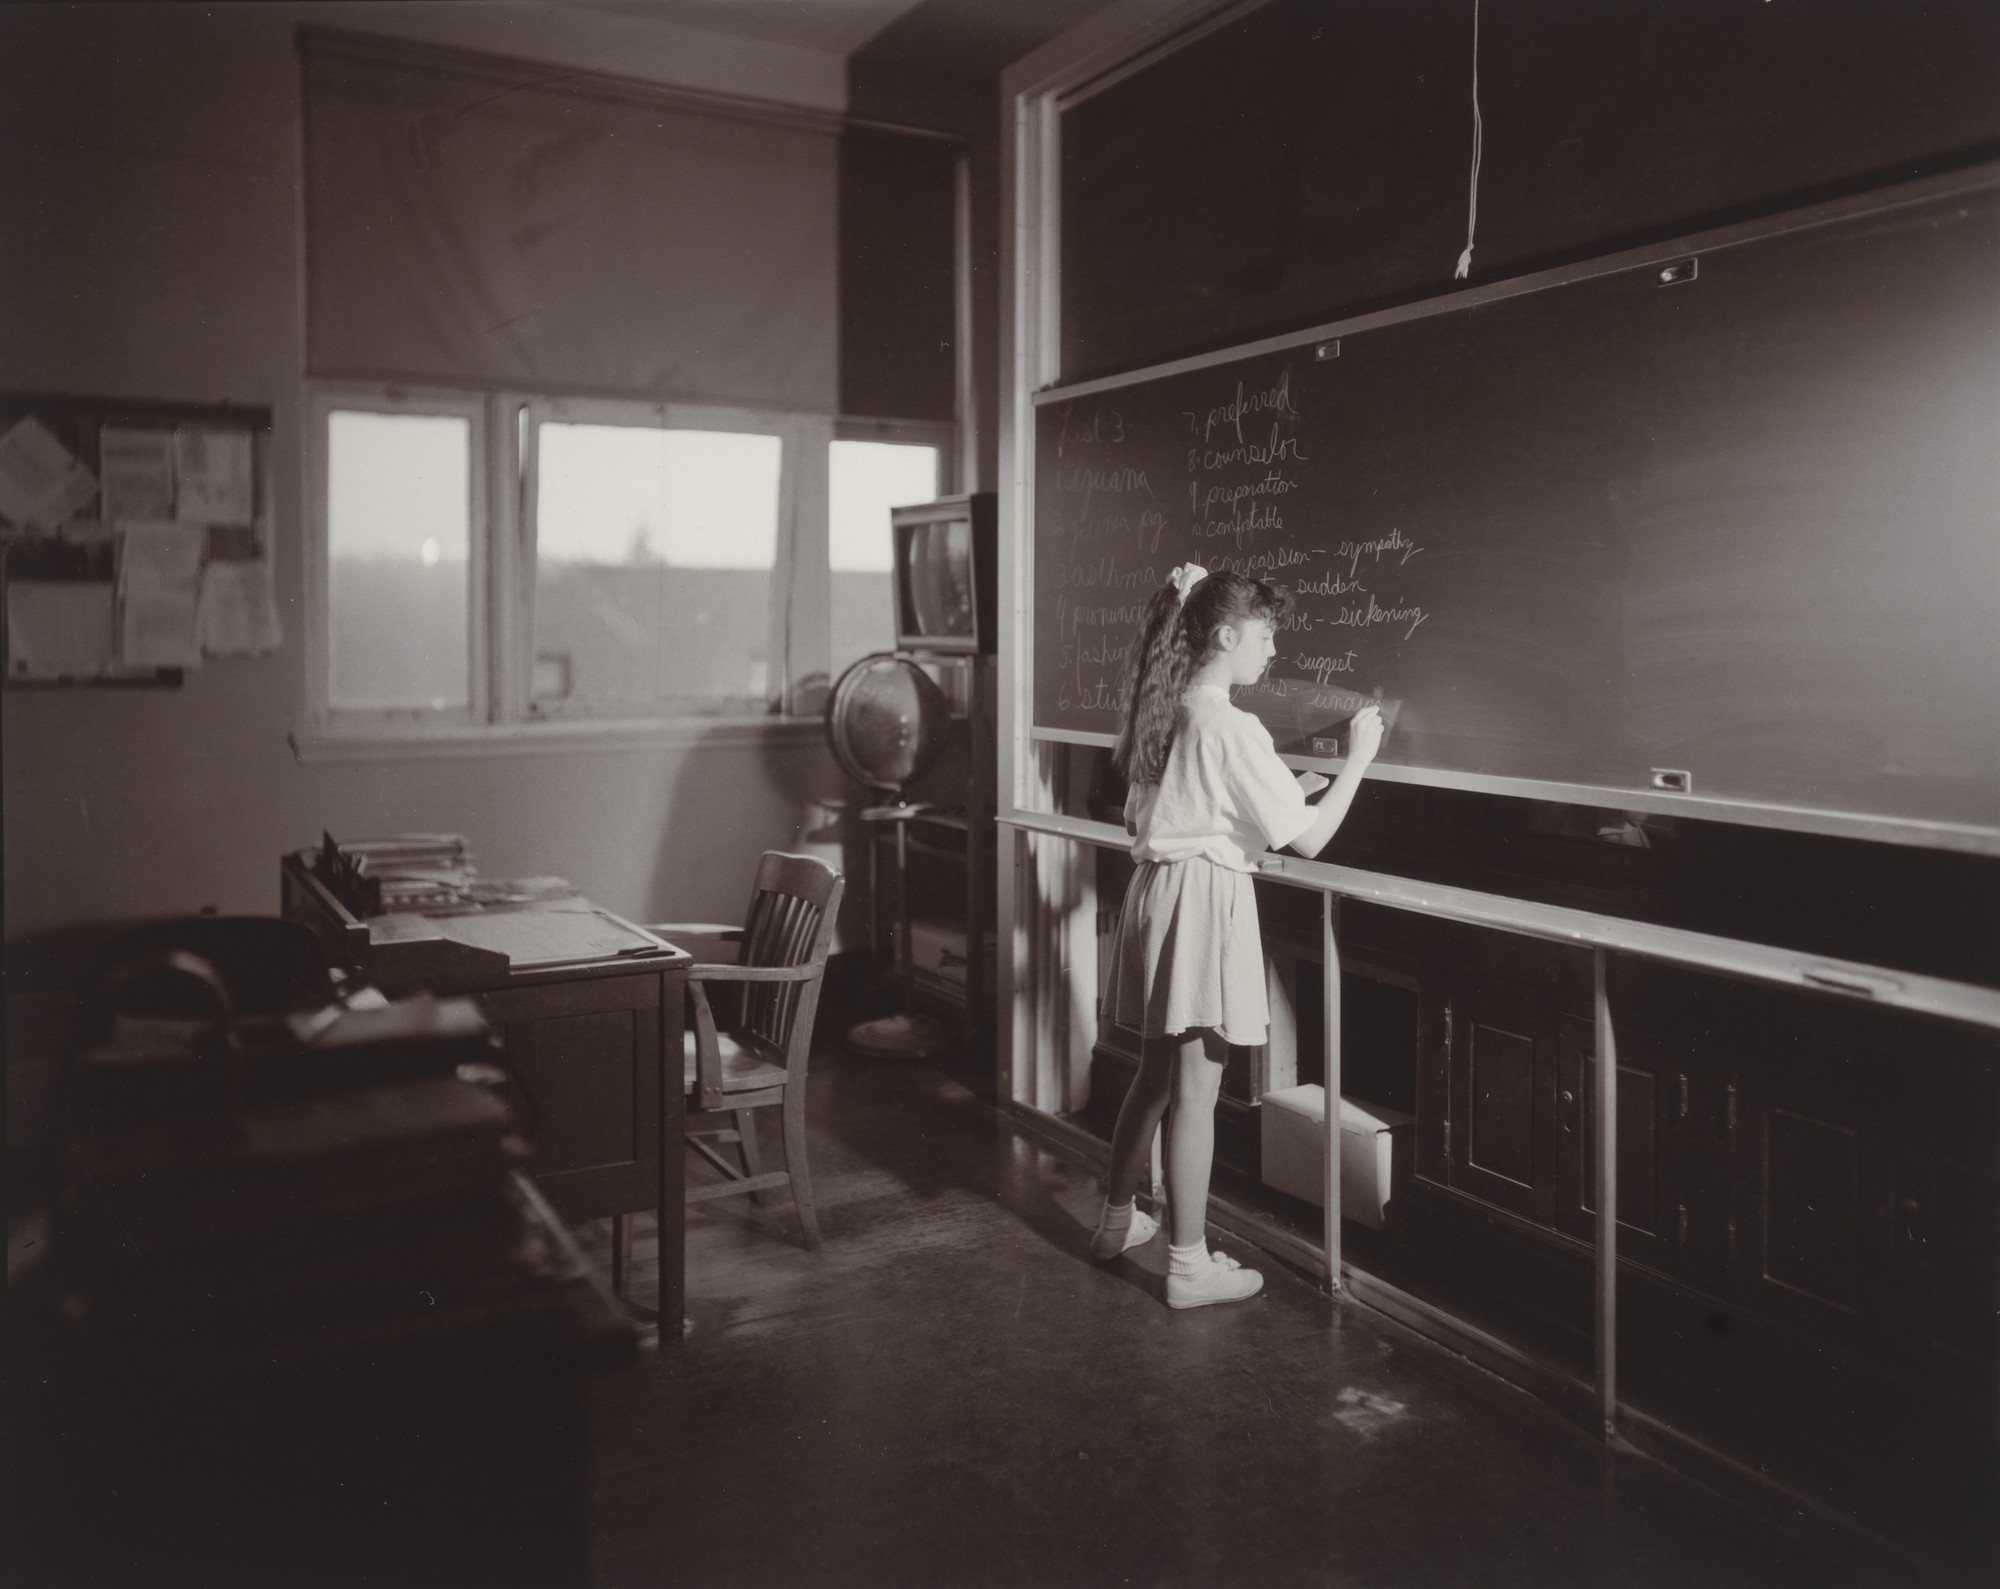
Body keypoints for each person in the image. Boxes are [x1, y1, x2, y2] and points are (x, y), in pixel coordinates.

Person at [1091, 562, 1384, 1308]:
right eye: (1266, 633)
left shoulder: (1167, 708)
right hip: (1202, 903)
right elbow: (1309, 841)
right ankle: (1188, 1268)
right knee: (1198, 1089)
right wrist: (1356, 763)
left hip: (1158, 895)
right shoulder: (1231, 722)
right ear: (1226, 634)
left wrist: (1288, 786)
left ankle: (1116, 1222)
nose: (1274, 649)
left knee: (1156, 1077)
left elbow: (1182, 802)